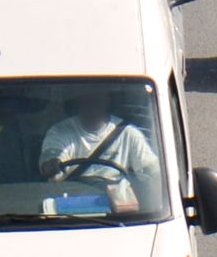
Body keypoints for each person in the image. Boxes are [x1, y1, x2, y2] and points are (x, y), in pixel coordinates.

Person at [39, 87, 152, 215]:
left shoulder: (128, 133)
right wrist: (51, 164)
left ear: (107, 101)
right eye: (86, 100)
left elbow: (151, 171)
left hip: (117, 208)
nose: (92, 105)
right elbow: (51, 156)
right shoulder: (60, 131)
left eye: (96, 100)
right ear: (77, 103)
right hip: (69, 205)